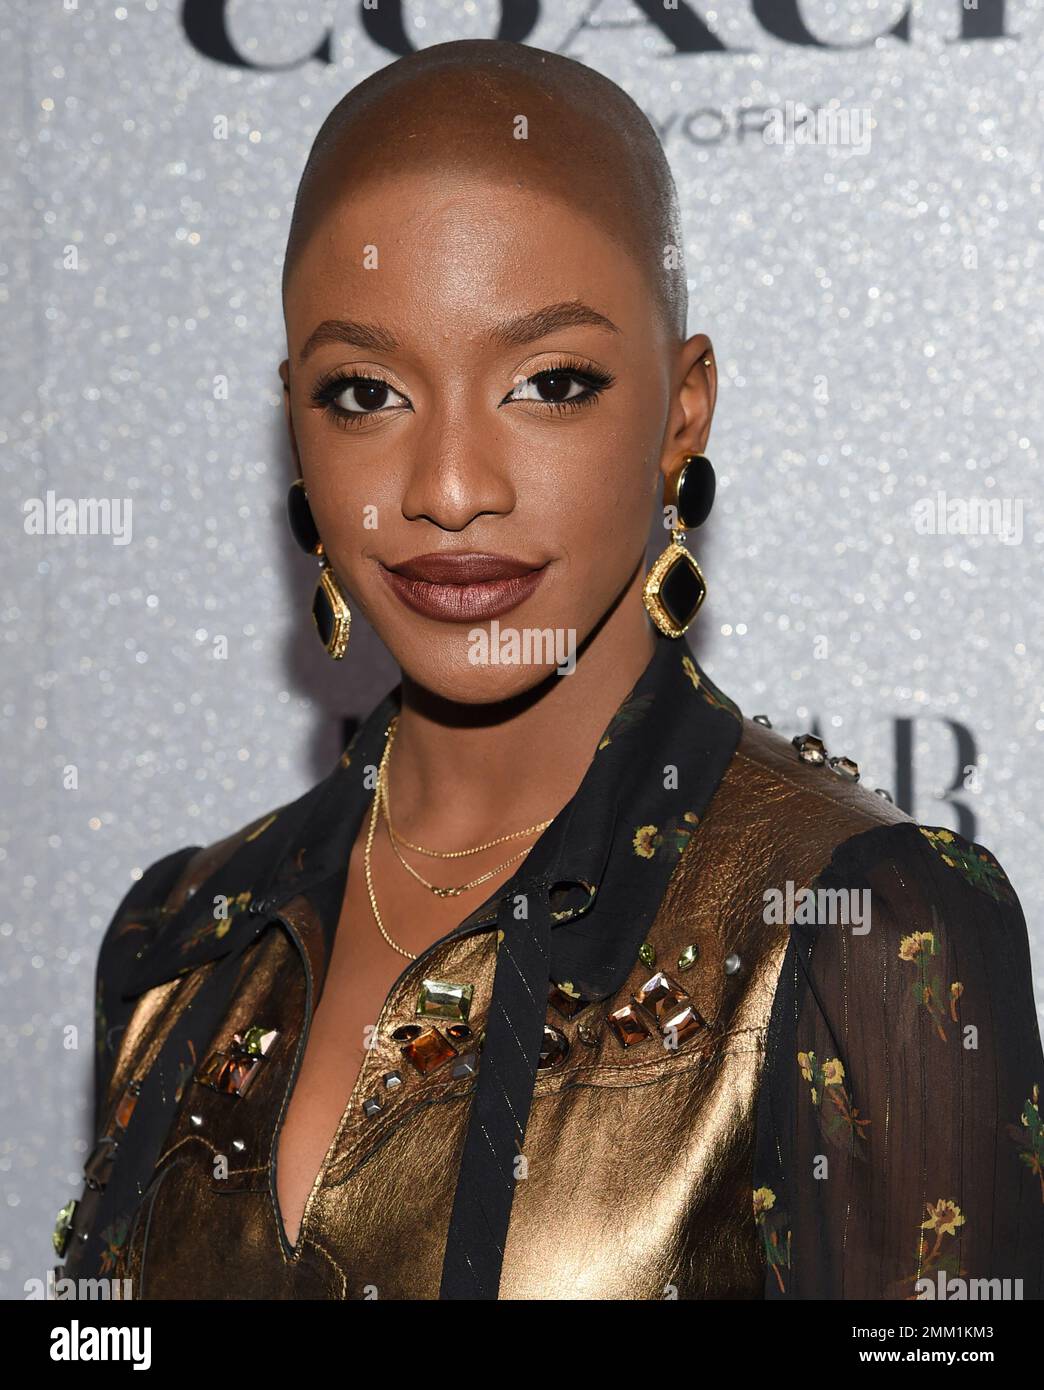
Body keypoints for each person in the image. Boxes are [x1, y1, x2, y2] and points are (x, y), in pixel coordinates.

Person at [53, 39, 1043, 1301]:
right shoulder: (182, 942)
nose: (452, 487)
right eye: (365, 392)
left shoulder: (865, 925)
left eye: (549, 382)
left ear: (683, 410)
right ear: (294, 421)